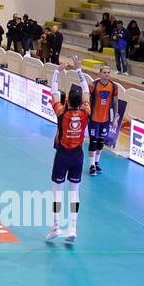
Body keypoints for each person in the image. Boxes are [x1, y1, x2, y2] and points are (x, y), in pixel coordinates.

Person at [47, 69, 91, 243]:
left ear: (67, 101)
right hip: (78, 156)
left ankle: (56, 226)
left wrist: (56, 73)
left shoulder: (61, 113)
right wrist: (79, 70)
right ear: (81, 102)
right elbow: (86, 91)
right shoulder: (85, 113)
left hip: (63, 155)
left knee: (57, 192)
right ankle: (73, 227)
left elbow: (54, 92)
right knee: (74, 193)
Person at [85, 66, 120, 176]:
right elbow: (86, 99)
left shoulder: (114, 87)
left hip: (105, 120)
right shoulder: (93, 85)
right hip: (94, 119)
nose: (106, 74)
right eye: (104, 72)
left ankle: (96, 163)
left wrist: (115, 118)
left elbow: (115, 102)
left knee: (101, 142)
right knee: (93, 141)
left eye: (108, 72)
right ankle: (91, 166)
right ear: (100, 73)